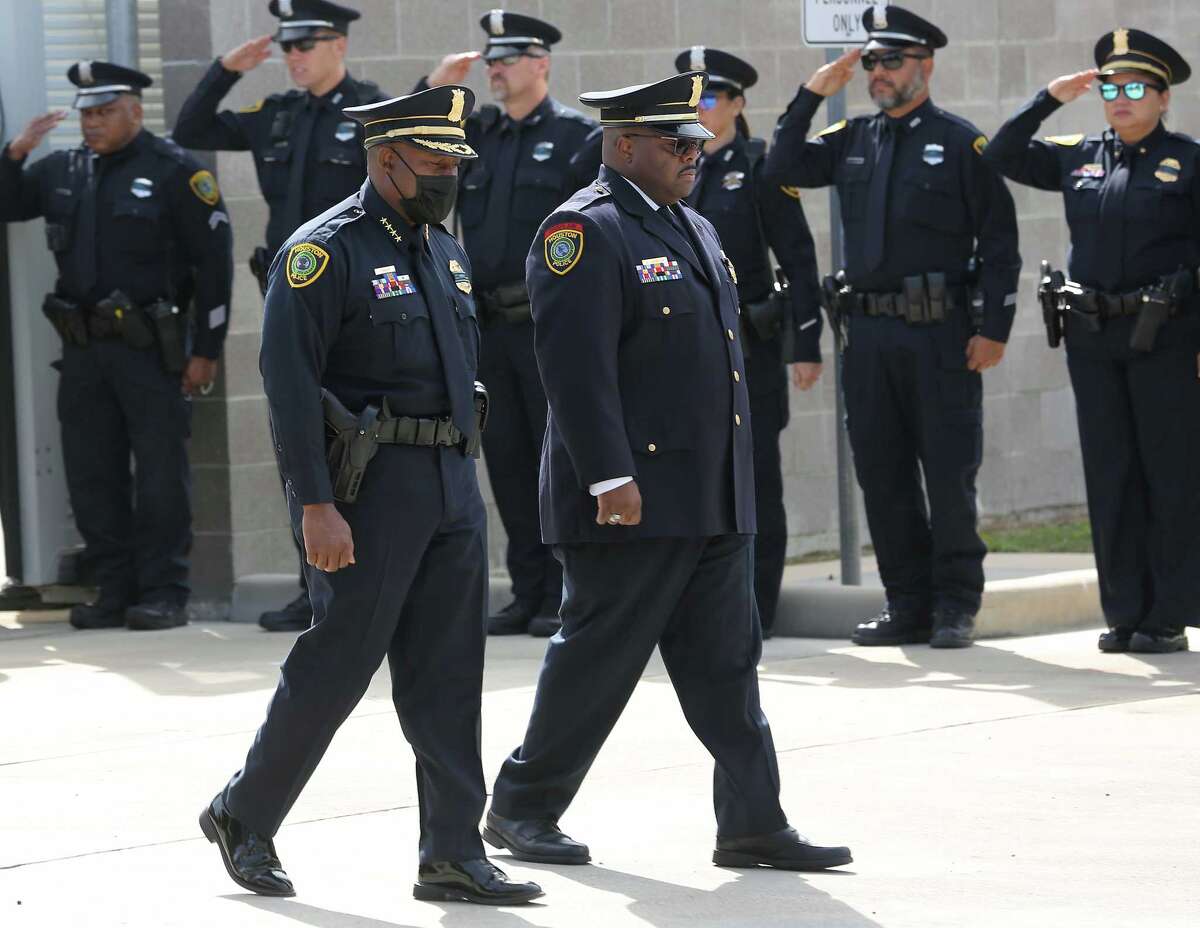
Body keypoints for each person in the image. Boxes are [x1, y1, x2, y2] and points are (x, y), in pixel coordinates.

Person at [481, 71, 852, 873]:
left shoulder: (692, 225)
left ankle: (753, 822)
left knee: (728, 668)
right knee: (597, 662)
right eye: (676, 143)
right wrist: (609, 477)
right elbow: (576, 373)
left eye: (697, 142)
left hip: (708, 494)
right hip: (633, 499)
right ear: (622, 146)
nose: (695, 153)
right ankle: (521, 807)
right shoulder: (583, 231)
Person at [198, 85, 542, 906]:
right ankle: (244, 813)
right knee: (339, 663)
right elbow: (288, 391)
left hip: (450, 484)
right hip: (365, 492)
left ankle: (453, 853)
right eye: (433, 163)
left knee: (451, 674)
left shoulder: (444, 248)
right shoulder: (323, 253)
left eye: (455, 162)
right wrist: (314, 505)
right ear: (387, 160)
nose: (449, 175)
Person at [763, 5, 1021, 649]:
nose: (877, 72)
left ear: (924, 66)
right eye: (871, 62)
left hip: (941, 335)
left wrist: (994, 328)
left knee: (948, 473)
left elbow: (1000, 245)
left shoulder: (962, 143)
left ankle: (956, 604)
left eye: (891, 61)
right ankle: (906, 603)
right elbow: (782, 169)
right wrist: (810, 95)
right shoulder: (851, 137)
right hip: (868, 337)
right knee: (882, 475)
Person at [173, 0, 387, 633]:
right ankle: (314, 587)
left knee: (363, 437)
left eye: (306, 45)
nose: (293, 57)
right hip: (286, 301)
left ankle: (372, 585)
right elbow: (191, 128)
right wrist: (224, 69)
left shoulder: (370, 113)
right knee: (297, 438)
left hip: (355, 305)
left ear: (338, 46)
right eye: (287, 47)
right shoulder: (276, 116)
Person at [983, 29, 1199, 655]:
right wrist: (1048, 97)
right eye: (1110, 89)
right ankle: (1125, 612)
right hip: (1094, 336)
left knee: (1170, 474)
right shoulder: (1078, 154)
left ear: (1162, 99)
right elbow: (1000, 153)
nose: (1120, 99)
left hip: (1167, 337)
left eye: (1135, 89)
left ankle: (1168, 615)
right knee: (1111, 476)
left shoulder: (1187, 160)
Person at [0, 62, 233, 631]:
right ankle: (112, 587)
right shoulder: (64, 169)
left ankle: (163, 591)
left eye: (104, 112)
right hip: (82, 350)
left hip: (151, 353)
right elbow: (9, 205)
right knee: (92, 475)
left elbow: (214, 266)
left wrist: (207, 348)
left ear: (134, 110)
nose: (92, 123)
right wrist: (14, 154)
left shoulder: (175, 170)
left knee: (158, 478)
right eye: (85, 113)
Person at [420, 10, 601, 637]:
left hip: (548, 327)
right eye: (490, 60)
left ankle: (565, 590)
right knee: (507, 462)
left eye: (508, 59)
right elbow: (413, 154)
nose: (495, 69)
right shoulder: (480, 137)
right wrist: (435, 91)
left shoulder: (580, 137)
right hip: (490, 327)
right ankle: (527, 590)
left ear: (541, 63)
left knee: (563, 463)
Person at [676, 46, 823, 638]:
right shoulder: (671, 170)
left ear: (737, 104)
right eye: (689, 98)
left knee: (755, 480)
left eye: (709, 96)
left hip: (749, 351)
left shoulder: (760, 166)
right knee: (693, 479)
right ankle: (701, 603)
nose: (699, 109)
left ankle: (757, 605)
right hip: (683, 356)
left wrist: (806, 345)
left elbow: (799, 257)